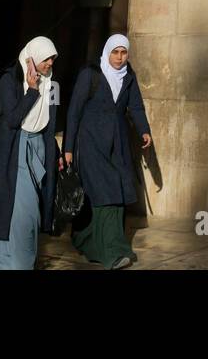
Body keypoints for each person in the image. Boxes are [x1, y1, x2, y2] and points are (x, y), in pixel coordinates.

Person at [0, 36, 61, 270]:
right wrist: (32, 90)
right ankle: (17, 264)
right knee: (24, 215)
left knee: (21, 212)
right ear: (33, 57)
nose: (50, 63)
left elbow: (52, 120)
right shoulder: (10, 80)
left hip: (39, 151)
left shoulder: (54, 85)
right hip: (13, 152)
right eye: (46, 58)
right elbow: (12, 119)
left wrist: (56, 153)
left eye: (52, 59)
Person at [64, 33, 153, 269]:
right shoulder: (90, 74)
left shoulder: (128, 76)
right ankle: (113, 252)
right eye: (115, 52)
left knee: (118, 188)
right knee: (105, 191)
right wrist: (68, 148)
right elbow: (74, 111)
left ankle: (88, 241)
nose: (119, 57)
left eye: (123, 53)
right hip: (91, 142)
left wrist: (144, 130)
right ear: (107, 52)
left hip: (118, 143)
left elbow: (135, 105)